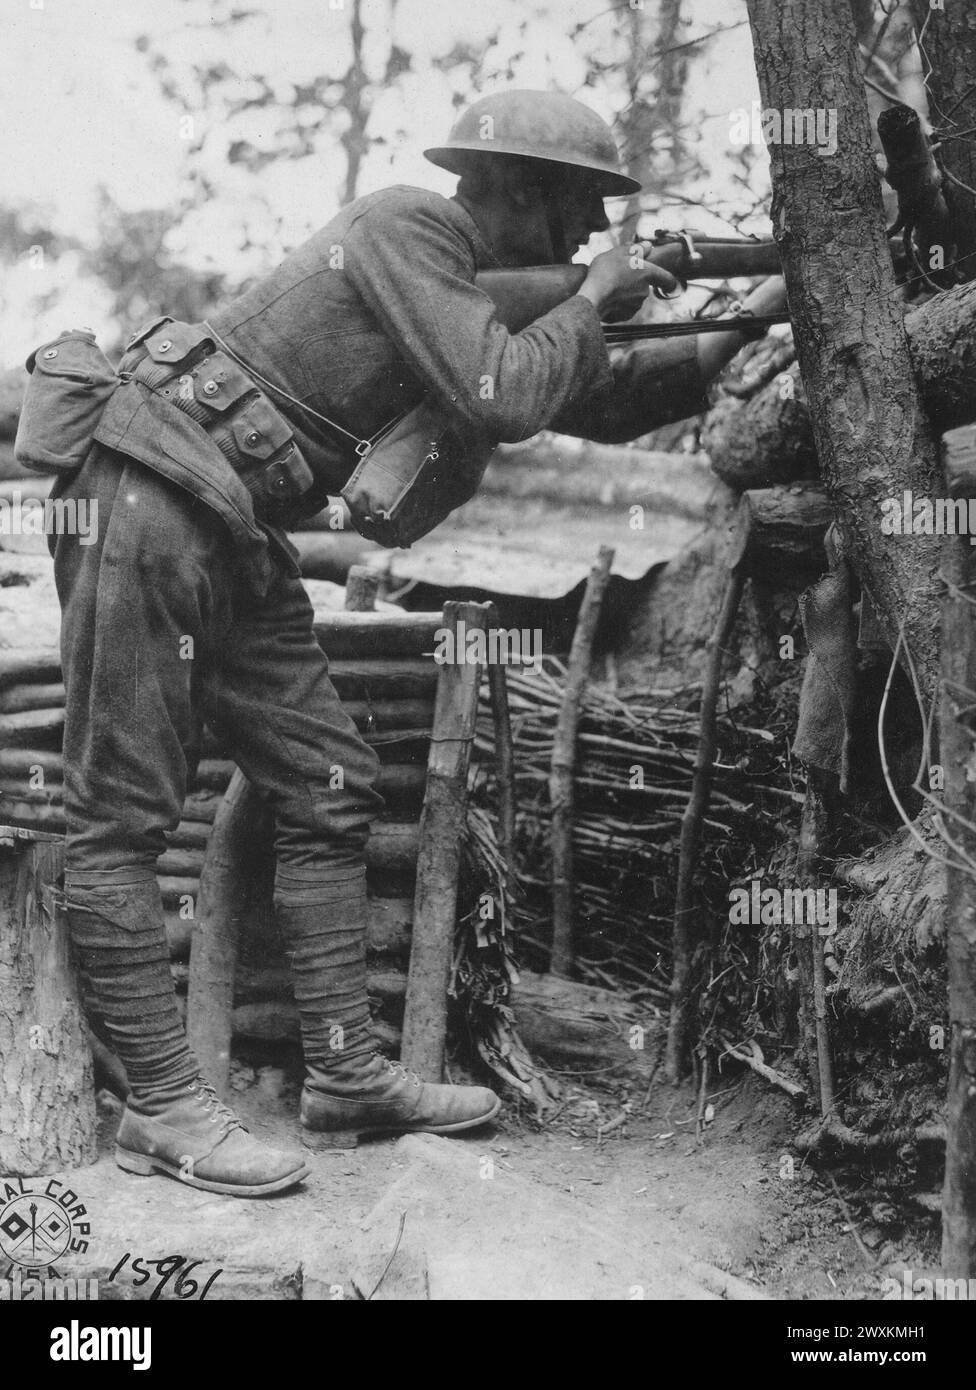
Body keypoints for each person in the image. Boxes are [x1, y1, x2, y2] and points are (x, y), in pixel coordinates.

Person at [47, 89, 783, 1198]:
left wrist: (757, 304)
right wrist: (592, 295)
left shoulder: (466, 298)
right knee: (118, 815)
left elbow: (606, 396)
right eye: (582, 208)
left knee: (331, 777)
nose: (591, 235)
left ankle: (344, 1072)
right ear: (524, 188)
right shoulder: (408, 227)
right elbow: (505, 394)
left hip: (227, 527)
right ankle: (161, 1107)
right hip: (149, 498)